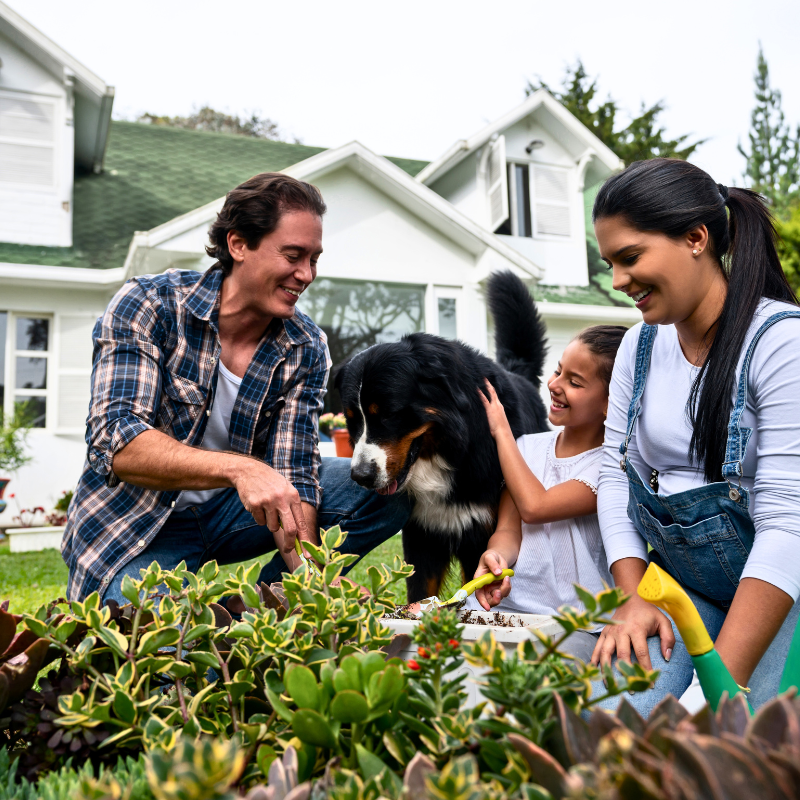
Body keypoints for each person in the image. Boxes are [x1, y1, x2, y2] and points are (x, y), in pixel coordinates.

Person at [62, 173, 411, 602]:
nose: (306, 274)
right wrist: (242, 469)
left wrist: (315, 579)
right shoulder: (150, 305)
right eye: (293, 255)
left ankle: (275, 602)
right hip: (138, 525)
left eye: (314, 259)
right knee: (160, 636)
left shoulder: (304, 346)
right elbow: (117, 443)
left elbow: (295, 473)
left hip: (233, 514)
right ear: (239, 244)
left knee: (385, 492)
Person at [591, 158, 800, 714]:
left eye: (630, 257)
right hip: (686, 584)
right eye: (611, 264)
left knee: (744, 742)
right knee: (607, 718)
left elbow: (787, 524)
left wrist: (717, 697)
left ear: (695, 238)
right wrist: (631, 598)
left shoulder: (780, 344)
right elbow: (615, 473)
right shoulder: (638, 347)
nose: (618, 281)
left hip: (783, 588)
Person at [466, 326, 627, 663]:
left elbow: (535, 507)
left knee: (545, 680)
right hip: (509, 611)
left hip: (577, 623)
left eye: (575, 382)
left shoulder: (609, 467)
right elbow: (509, 529)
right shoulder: (526, 448)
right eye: (558, 371)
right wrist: (496, 556)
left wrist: (501, 430)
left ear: (611, 402)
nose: (554, 384)